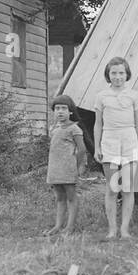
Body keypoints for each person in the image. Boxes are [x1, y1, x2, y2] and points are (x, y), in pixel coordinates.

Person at [93, 56, 138, 240]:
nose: (117, 76)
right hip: (110, 142)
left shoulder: (134, 96)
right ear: (108, 75)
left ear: (127, 74)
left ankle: (124, 230)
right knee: (113, 187)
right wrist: (97, 146)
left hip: (130, 142)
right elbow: (98, 124)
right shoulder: (101, 97)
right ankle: (112, 229)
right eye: (113, 73)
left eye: (121, 72)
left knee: (128, 187)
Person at [45, 94, 87, 236]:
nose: (60, 111)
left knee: (71, 197)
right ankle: (58, 225)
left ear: (70, 111)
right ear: (54, 111)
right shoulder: (53, 129)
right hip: (54, 169)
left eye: (64, 108)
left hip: (68, 168)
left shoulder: (74, 129)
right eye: (57, 108)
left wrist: (77, 166)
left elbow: (81, 149)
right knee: (59, 197)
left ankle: (70, 227)